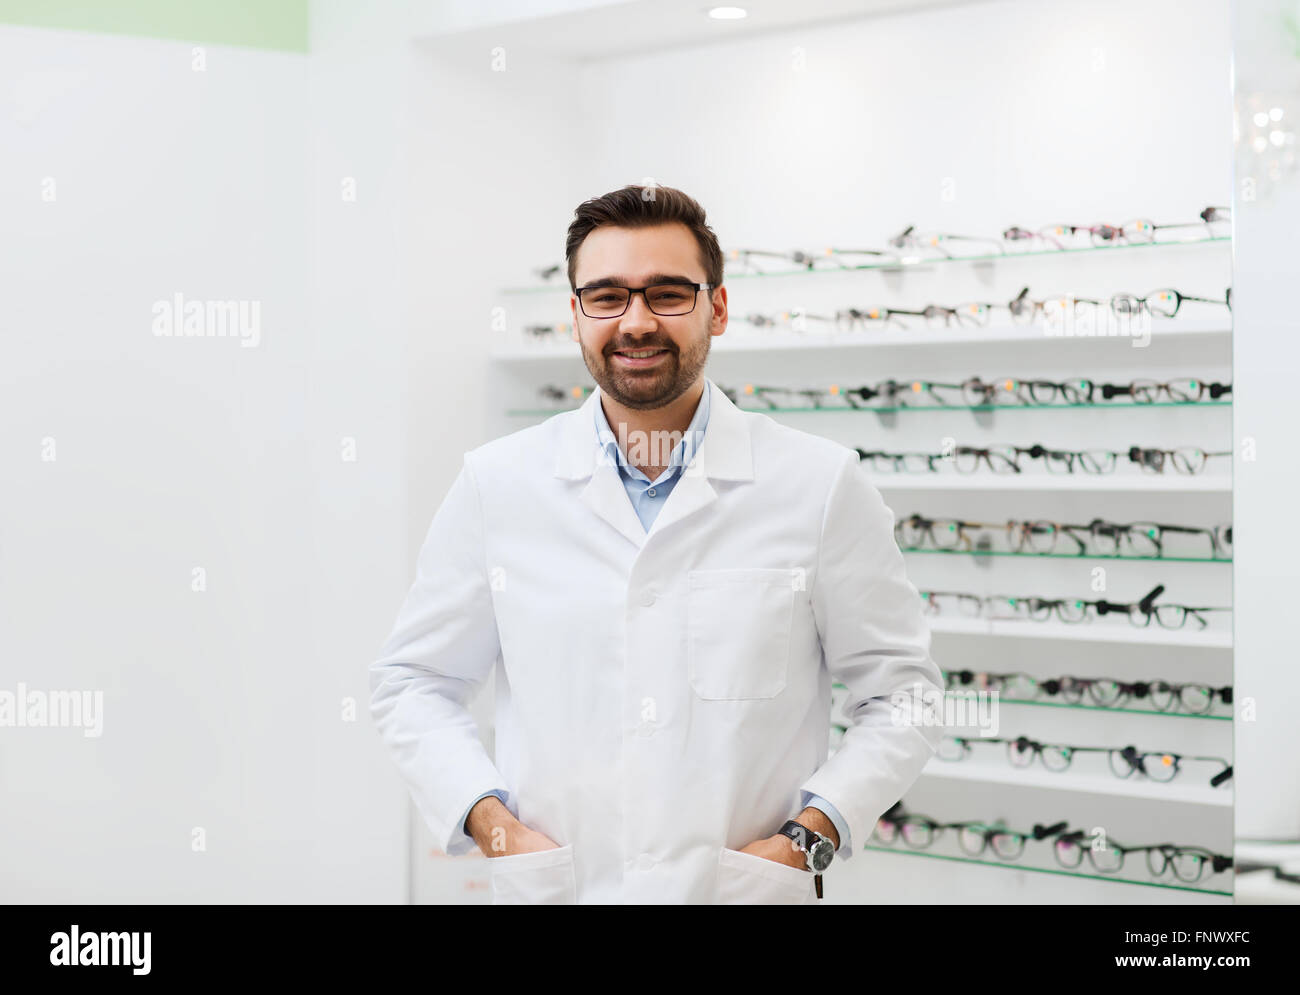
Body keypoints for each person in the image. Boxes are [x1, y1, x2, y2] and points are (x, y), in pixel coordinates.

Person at [369, 183, 944, 903]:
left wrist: (810, 835)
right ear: (574, 315)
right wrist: (495, 828)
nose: (636, 321)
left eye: (668, 293)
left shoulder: (820, 485)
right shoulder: (497, 486)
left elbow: (905, 697)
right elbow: (411, 683)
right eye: (606, 296)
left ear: (719, 307)